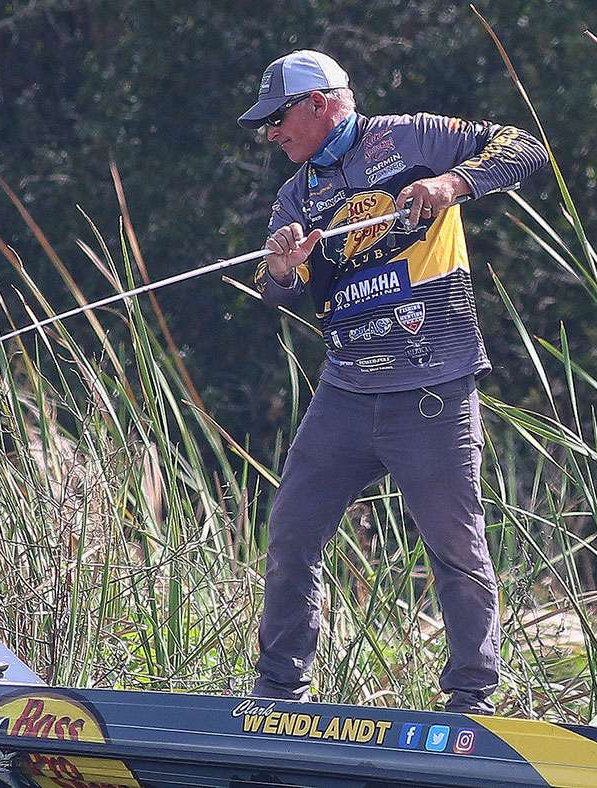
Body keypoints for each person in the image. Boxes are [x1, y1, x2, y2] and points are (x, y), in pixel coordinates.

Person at [238, 49, 547, 714]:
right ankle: (278, 693)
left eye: (278, 118)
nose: (271, 134)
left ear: (318, 103)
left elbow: (526, 148)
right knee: (292, 533)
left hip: (432, 386)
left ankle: (472, 700)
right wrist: (285, 268)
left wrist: (452, 185)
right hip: (345, 393)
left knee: (455, 548)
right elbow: (274, 292)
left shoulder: (413, 136)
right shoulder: (295, 196)